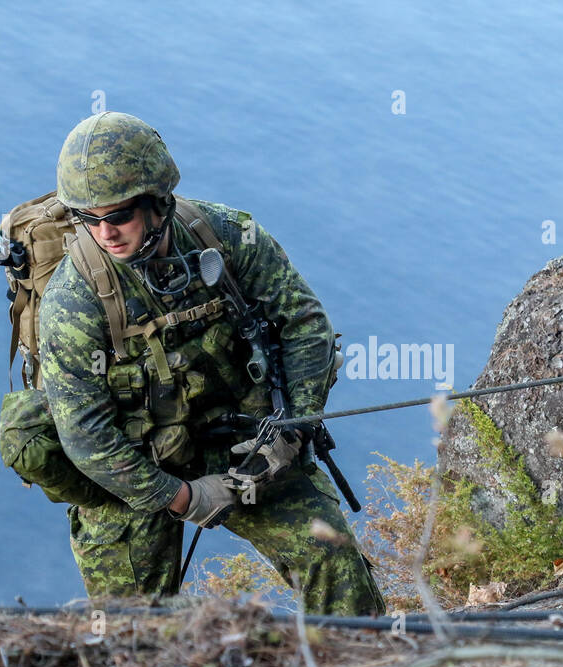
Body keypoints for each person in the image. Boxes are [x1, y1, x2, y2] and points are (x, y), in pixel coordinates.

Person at [38, 111, 385, 616]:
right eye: (88, 219)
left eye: (118, 216)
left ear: (158, 203)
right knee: (130, 630)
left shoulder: (227, 236)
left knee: (335, 566)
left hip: (247, 443)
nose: (104, 233)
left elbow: (304, 325)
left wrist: (290, 432)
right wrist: (179, 498)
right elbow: (86, 434)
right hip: (134, 469)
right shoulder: (74, 300)